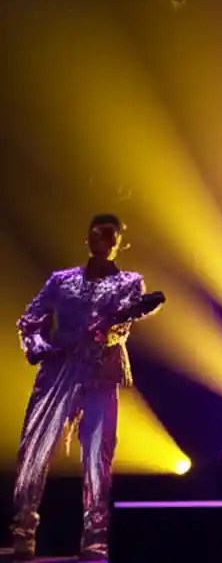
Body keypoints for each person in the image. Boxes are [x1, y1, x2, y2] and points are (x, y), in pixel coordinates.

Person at [11, 214, 165, 561]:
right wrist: (40, 347)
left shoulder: (130, 283)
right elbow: (30, 320)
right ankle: (23, 532)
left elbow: (123, 324)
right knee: (33, 452)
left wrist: (106, 329)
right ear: (88, 239)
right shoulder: (61, 281)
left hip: (101, 373)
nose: (104, 242)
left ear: (119, 243)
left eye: (112, 237)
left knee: (98, 458)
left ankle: (95, 538)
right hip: (57, 372)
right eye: (99, 235)